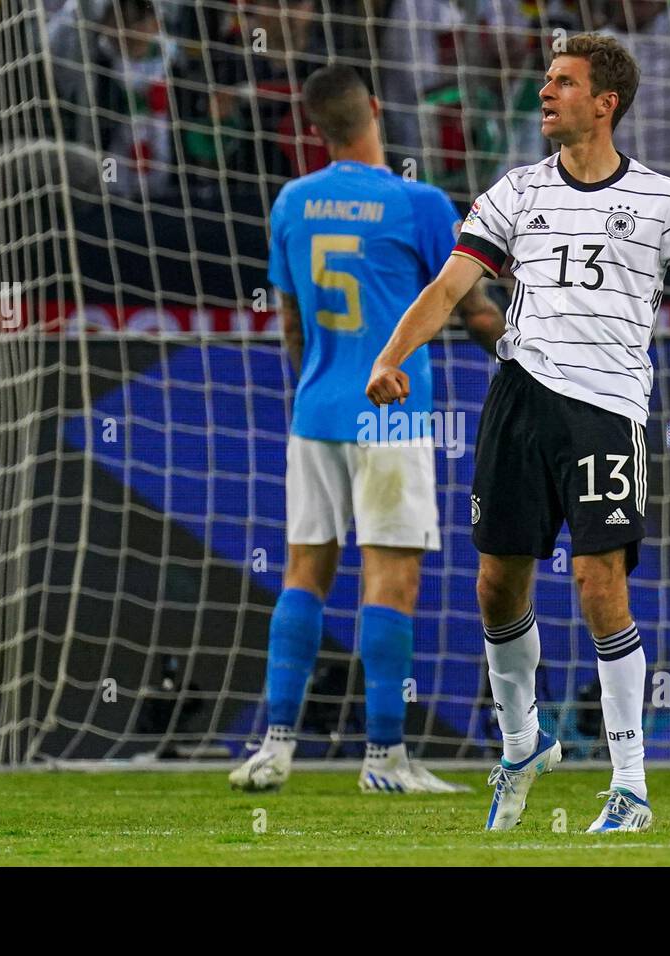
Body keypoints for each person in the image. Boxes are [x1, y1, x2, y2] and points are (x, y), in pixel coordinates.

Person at [367, 33, 670, 832]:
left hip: (605, 409)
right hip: (519, 400)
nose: (546, 92)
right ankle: (522, 745)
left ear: (606, 102)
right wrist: (391, 356)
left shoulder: (665, 201)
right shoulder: (515, 190)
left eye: (564, 82)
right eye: (547, 80)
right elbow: (452, 285)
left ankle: (631, 786)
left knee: (599, 581)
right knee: (496, 583)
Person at [229, 65, 502, 794]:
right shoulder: (418, 202)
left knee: (303, 572)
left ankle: (276, 747)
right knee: (391, 578)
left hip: (316, 412)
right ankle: (384, 760)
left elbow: (290, 320)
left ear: (316, 128)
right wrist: (530, 353)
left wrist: (316, 385)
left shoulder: (292, 202)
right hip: (392, 412)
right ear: (375, 111)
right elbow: (475, 313)